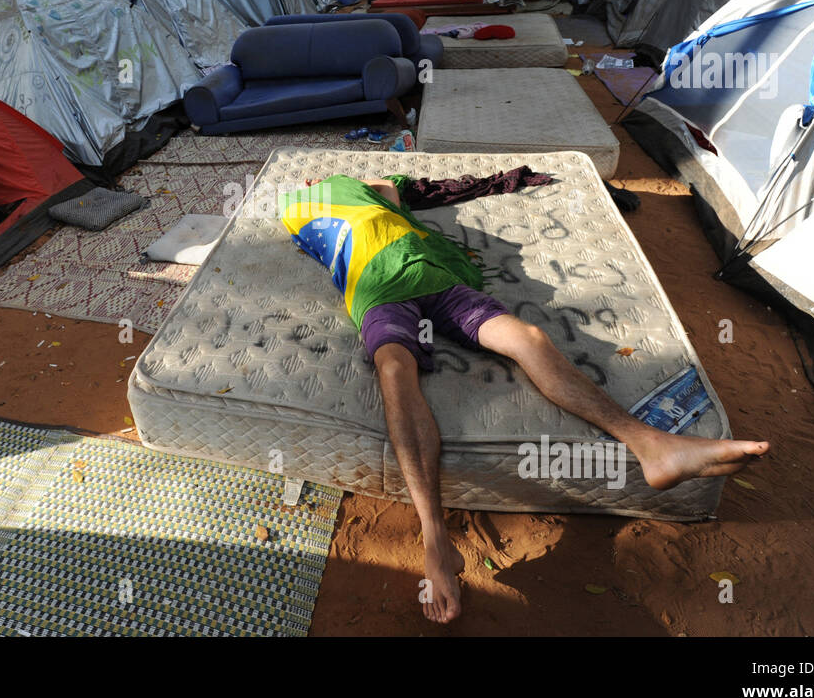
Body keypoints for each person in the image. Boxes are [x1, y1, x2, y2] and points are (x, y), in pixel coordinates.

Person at [280, 175, 770, 625]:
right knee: (393, 369)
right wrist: (350, 188)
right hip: (377, 288)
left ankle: (652, 445)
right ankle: (435, 539)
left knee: (530, 338)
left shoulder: (357, 191)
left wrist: (380, 188)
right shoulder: (297, 205)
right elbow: (345, 216)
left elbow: (390, 188)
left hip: (441, 276)